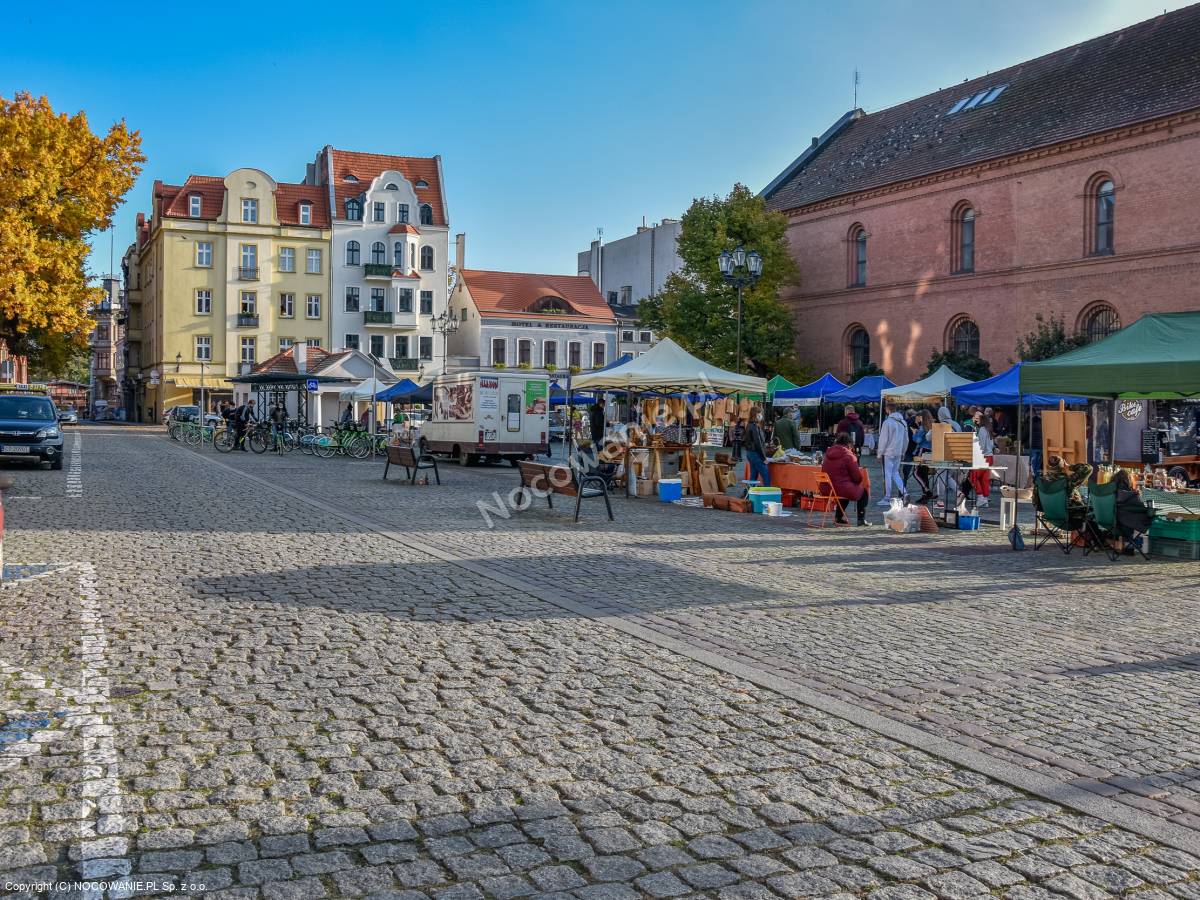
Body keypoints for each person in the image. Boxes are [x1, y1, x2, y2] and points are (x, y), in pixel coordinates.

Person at [822, 432, 870, 526]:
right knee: (863, 493)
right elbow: (857, 478)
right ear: (849, 444)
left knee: (845, 491)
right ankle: (861, 520)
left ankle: (838, 517)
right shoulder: (849, 456)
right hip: (840, 488)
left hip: (827, 488)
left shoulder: (828, 454)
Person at [875, 401, 909, 506]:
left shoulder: (887, 422)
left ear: (887, 410)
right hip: (898, 451)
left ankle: (887, 497)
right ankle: (904, 492)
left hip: (888, 452)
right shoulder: (903, 422)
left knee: (888, 474)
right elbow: (906, 440)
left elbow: (883, 439)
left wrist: (879, 454)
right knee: (895, 473)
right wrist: (903, 451)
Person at [968, 411, 994, 507]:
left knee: (973, 476)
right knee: (984, 479)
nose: (976, 421)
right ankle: (985, 499)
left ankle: (980, 497)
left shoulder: (982, 430)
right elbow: (991, 445)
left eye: (978, 420)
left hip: (983, 457)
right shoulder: (989, 429)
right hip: (990, 456)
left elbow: (981, 446)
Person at [744, 408, 770, 486]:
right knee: (765, 475)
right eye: (759, 413)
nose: (761, 415)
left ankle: (749, 493)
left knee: (753, 475)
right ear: (755, 414)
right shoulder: (754, 426)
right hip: (755, 454)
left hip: (750, 453)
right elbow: (758, 443)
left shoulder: (750, 425)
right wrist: (764, 458)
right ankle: (767, 494)